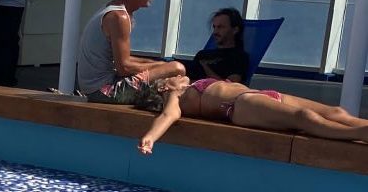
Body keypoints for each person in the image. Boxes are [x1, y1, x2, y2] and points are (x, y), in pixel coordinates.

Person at [138, 78, 368, 153]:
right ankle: (359, 133)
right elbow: (168, 116)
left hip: (260, 95)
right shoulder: (176, 95)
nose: (179, 74)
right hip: (241, 106)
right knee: (304, 117)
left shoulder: (190, 84)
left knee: (335, 112)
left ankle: (361, 127)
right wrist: (150, 138)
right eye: (173, 76)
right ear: (163, 87)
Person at [75, 0, 189, 106]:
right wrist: (162, 68)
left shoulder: (114, 9)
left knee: (176, 75)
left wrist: (157, 65)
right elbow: (124, 67)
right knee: (177, 69)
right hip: (105, 92)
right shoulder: (119, 17)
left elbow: (124, 60)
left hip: (96, 88)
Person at [190, 7, 250, 84]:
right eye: (214, 27)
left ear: (235, 30)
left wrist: (205, 67)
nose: (215, 32)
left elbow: (229, 87)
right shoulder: (202, 54)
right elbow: (188, 80)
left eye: (220, 27)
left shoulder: (239, 57)